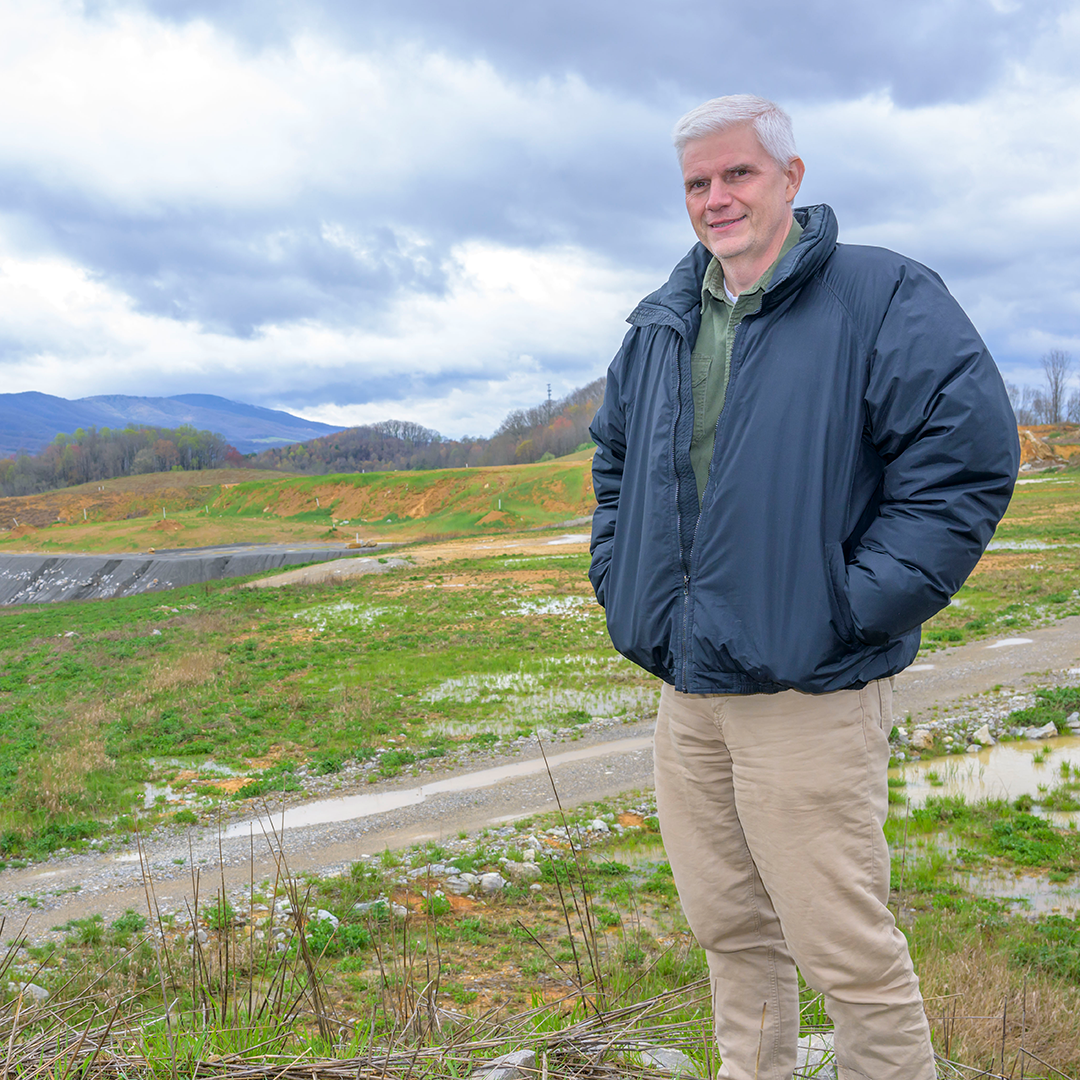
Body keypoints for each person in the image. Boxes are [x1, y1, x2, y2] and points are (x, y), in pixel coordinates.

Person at [587, 95, 1019, 1080]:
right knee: (731, 930)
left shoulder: (882, 295)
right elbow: (615, 460)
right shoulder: (665, 319)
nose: (715, 198)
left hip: (809, 690)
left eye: (737, 173)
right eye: (697, 183)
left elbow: (966, 461)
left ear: (791, 177)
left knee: (846, 955)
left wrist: (846, 611)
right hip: (688, 692)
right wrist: (625, 585)